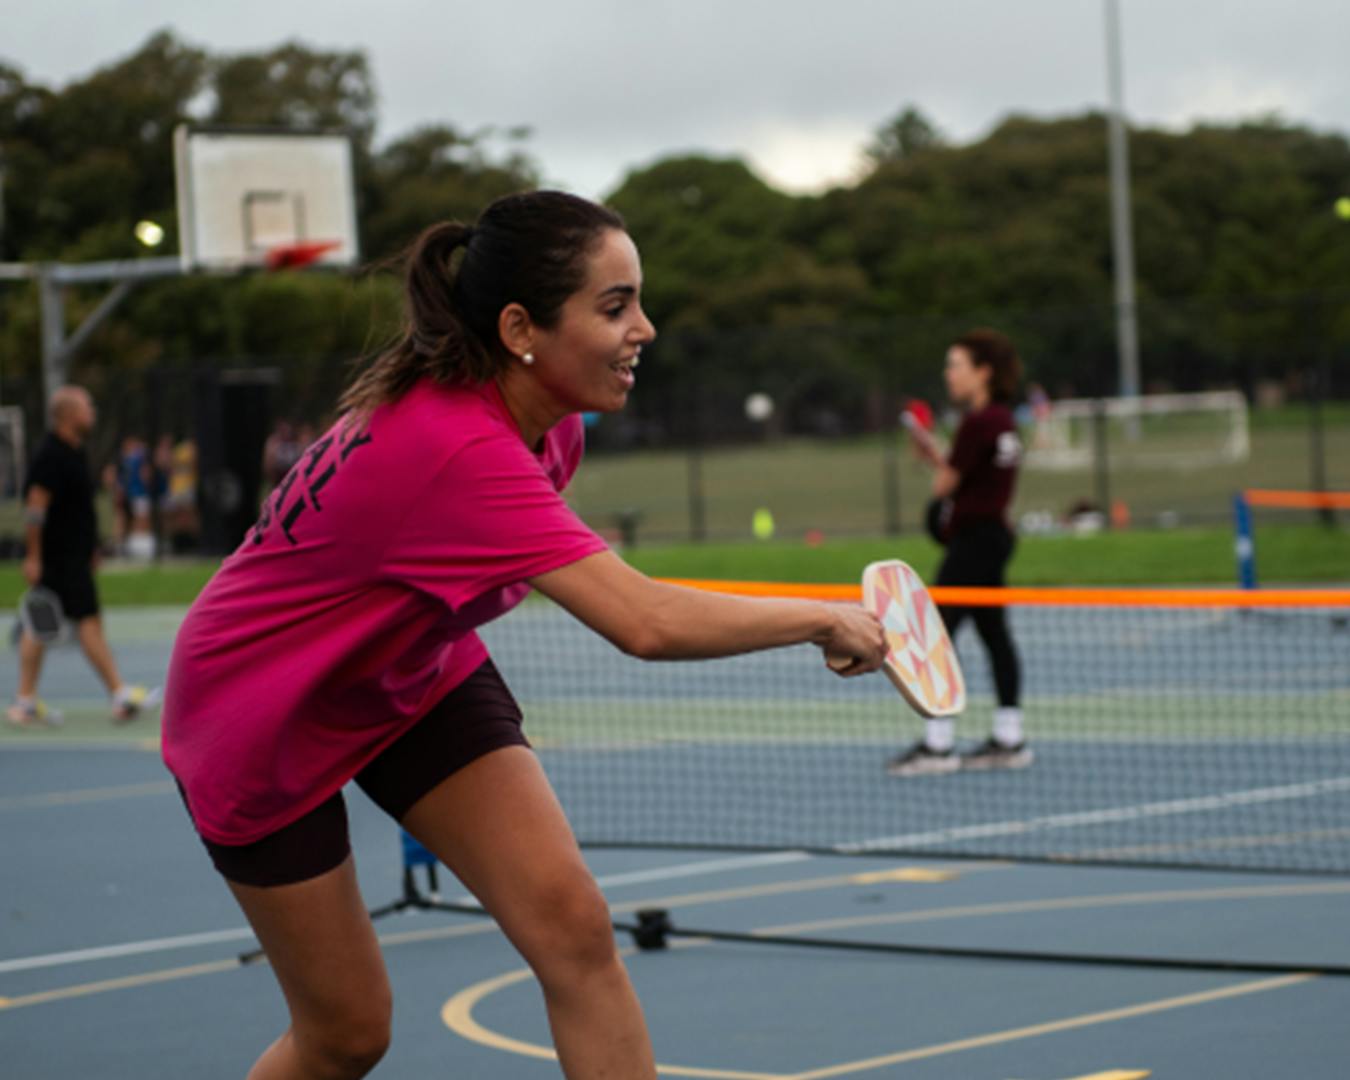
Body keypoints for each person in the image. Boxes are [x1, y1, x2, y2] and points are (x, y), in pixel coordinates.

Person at [160, 190, 886, 1080]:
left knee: (574, 931)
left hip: (404, 672)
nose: (645, 329)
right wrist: (823, 616)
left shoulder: (549, 428)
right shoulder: (459, 450)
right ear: (518, 329)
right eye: (615, 307)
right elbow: (646, 622)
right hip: (259, 714)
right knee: (347, 1034)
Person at [889, 328, 1030, 776]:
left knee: (935, 633)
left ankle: (938, 744)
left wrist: (934, 458)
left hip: (975, 540)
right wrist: (937, 455)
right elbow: (966, 475)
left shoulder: (979, 422)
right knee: (994, 634)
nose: (949, 374)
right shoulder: (1002, 420)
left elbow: (946, 484)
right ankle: (1010, 736)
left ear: (983, 372)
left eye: (956, 365)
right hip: (992, 538)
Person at [7, 386, 160, 727]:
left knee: (45, 626)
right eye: (86, 406)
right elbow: (35, 509)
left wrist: (90, 547)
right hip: (58, 559)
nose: (92, 412)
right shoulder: (51, 455)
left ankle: (27, 700)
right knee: (80, 622)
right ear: (68, 414)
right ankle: (117, 693)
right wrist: (33, 557)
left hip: (73, 557)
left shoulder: (74, 452)